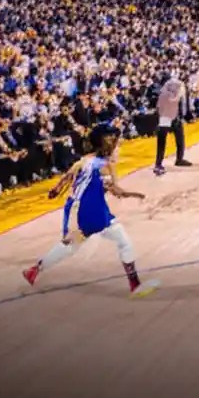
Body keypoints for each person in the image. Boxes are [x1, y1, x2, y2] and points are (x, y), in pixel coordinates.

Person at [22, 124, 158, 298]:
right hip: (90, 209)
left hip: (75, 207)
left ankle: (34, 270)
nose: (119, 148)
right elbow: (118, 192)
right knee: (123, 241)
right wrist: (138, 195)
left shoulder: (84, 160)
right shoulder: (106, 166)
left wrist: (56, 189)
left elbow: (68, 176)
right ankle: (135, 285)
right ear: (108, 145)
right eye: (117, 145)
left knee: (71, 246)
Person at [153, 70, 192, 176]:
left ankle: (158, 163)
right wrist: (185, 115)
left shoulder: (164, 87)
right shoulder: (181, 86)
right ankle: (179, 159)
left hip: (164, 115)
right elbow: (183, 102)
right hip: (174, 115)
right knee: (180, 138)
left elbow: (159, 102)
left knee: (162, 141)